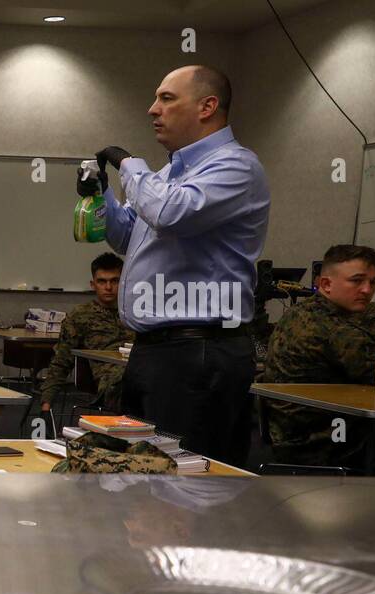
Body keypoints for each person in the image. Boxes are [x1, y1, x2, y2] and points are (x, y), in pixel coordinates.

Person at [97, 65, 269, 466]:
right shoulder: (168, 175)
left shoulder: (235, 166)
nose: (152, 109)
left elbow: (170, 213)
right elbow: (127, 237)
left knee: (187, 477)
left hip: (200, 351)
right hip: (155, 350)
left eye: (166, 98)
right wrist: (101, 192)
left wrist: (129, 165)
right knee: (145, 469)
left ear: (207, 107)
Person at [262, 244, 375, 471]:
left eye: (373, 282)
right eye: (357, 281)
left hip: (333, 428)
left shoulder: (341, 312)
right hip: (320, 440)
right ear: (326, 284)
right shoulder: (319, 323)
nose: (367, 290)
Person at [40, 252, 132, 415]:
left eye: (114, 281)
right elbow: (61, 361)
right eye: (102, 281)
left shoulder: (137, 312)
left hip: (141, 370)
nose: (108, 287)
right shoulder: (81, 315)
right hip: (113, 381)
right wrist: (46, 406)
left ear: (124, 282)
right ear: (93, 284)